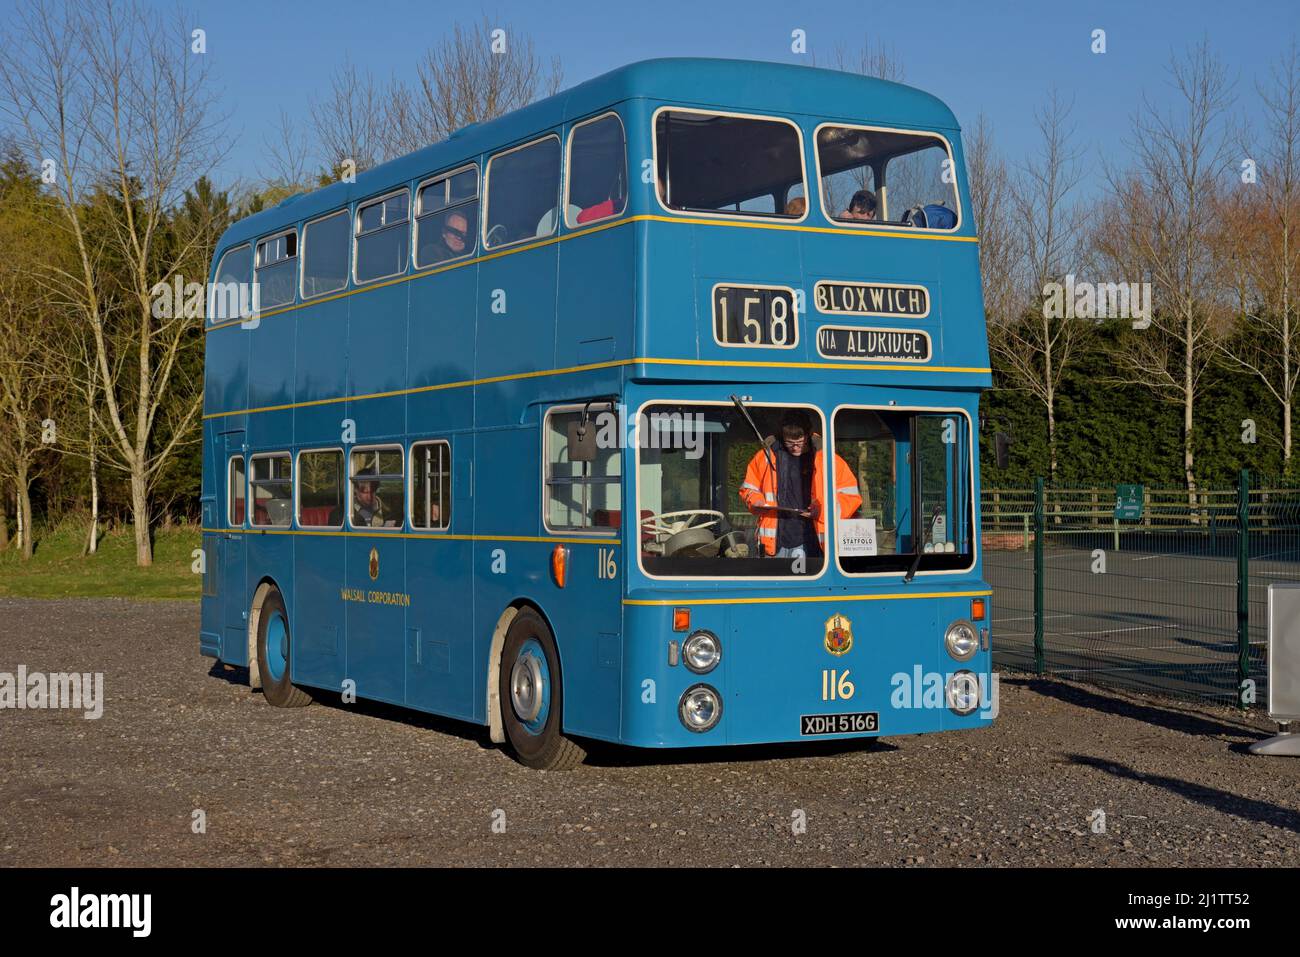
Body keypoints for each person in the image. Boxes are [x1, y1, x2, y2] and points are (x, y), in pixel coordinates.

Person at [738, 414, 862, 559]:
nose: (795, 447)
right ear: (782, 436)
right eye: (790, 442)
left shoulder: (830, 460)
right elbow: (748, 488)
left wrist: (823, 511)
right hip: (774, 545)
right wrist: (755, 501)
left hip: (815, 544)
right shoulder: (764, 457)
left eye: (799, 442)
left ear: (808, 435)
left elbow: (851, 497)